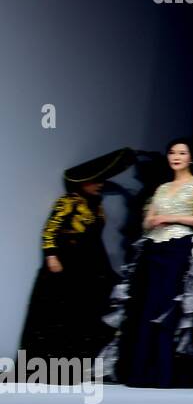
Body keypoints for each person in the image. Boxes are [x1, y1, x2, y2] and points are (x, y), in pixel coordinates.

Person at [102, 139, 193, 388]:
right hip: (153, 248)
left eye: (182, 152)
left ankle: (166, 372)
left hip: (181, 246)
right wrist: (149, 220)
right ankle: (140, 371)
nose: (176, 156)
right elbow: (148, 219)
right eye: (172, 152)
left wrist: (171, 217)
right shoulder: (161, 188)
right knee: (146, 305)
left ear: (191, 158)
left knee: (170, 306)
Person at [18, 149, 133, 376]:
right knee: (60, 313)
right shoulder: (68, 202)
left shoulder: (96, 206)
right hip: (67, 265)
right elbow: (51, 229)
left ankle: (79, 363)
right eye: (95, 181)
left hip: (90, 266)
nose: (100, 184)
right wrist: (51, 255)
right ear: (83, 182)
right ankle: (50, 367)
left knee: (86, 312)